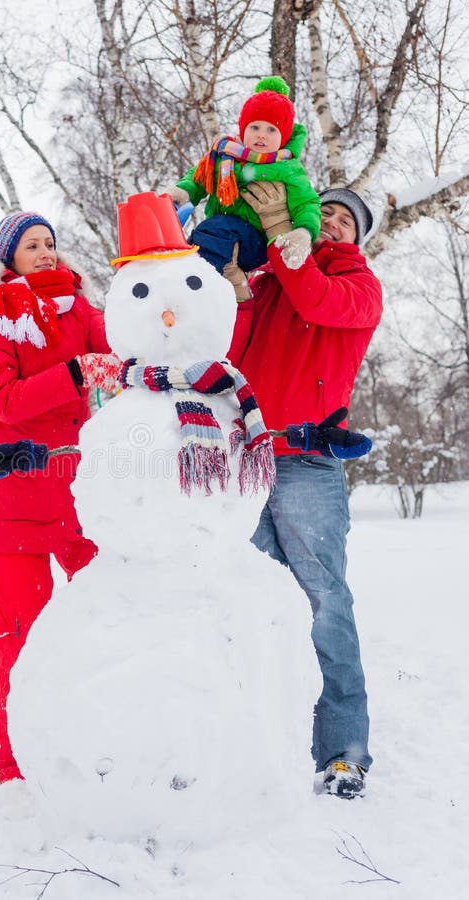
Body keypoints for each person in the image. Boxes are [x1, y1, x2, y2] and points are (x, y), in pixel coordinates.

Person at [224, 182, 383, 799]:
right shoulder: (271, 280)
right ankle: (254, 740)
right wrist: (239, 294)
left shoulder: (358, 287)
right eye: (330, 214)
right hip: (246, 458)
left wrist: (281, 243)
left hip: (309, 463)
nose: (337, 224)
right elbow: (233, 357)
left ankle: (344, 749)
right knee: (249, 603)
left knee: (325, 603)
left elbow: (317, 303)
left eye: (349, 221)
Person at [0, 211, 119, 784]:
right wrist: (76, 375)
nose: (47, 252)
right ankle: (17, 766)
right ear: (8, 258)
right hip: (16, 506)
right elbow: (4, 399)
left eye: (51, 243)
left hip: (85, 502)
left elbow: (125, 353)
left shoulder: (81, 308)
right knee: (19, 643)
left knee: (113, 626)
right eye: (32, 245)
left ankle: (100, 746)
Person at [167, 76, 321, 276]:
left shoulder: (288, 168)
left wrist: (304, 232)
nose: (261, 135)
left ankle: (198, 276)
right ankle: (185, 272)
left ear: (283, 137)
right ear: (243, 129)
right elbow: (199, 178)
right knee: (202, 236)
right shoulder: (226, 156)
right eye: (254, 127)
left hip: (257, 242)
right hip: (221, 238)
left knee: (216, 229)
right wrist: (183, 192)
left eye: (271, 129)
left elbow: (306, 203)